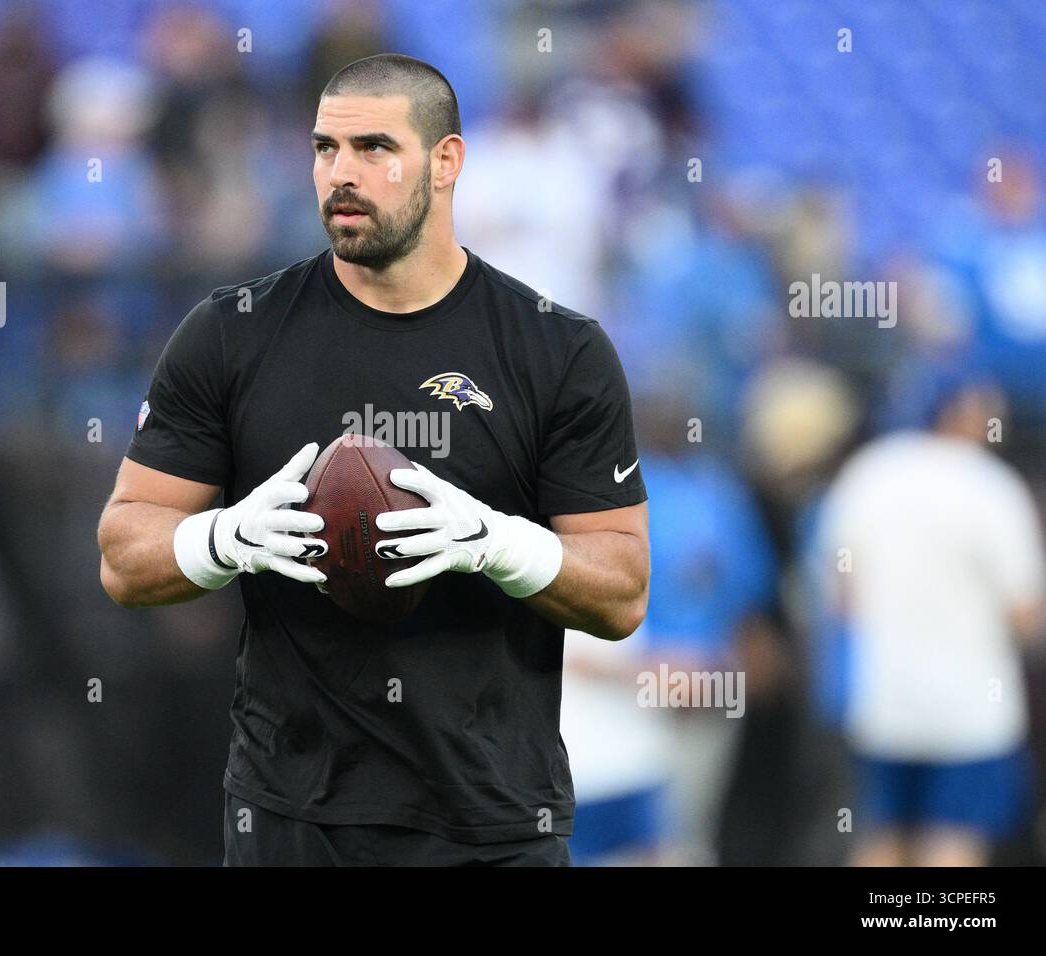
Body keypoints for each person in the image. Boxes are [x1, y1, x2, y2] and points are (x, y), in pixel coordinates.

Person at [96, 54, 650, 866]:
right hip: (291, 816)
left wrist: (501, 545)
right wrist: (219, 540)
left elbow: (623, 592)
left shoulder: (557, 350)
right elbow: (122, 555)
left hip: (492, 821)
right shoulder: (232, 335)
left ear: (448, 160)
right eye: (326, 149)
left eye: (374, 149)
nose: (341, 174)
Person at [815, 369, 1046, 866]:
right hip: (971, 711)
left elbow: (839, 595)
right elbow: (1026, 615)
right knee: (955, 840)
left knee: (881, 835)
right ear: (963, 410)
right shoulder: (991, 487)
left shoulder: (869, 474)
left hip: (885, 702)